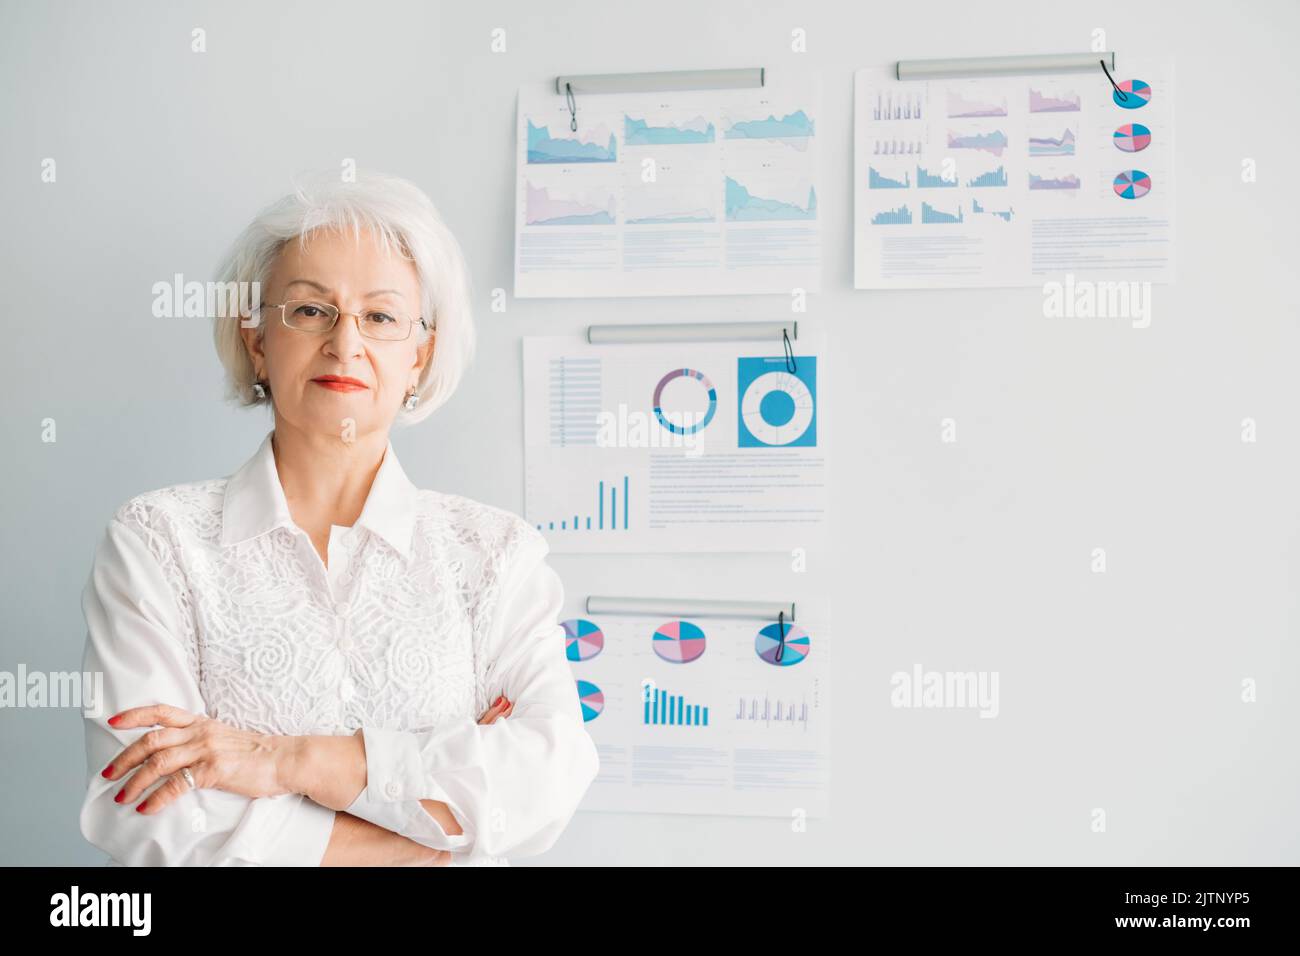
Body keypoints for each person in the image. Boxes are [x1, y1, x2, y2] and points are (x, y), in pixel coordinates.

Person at [78, 171, 600, 866]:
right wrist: (425, 844)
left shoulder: (495, 553)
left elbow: (546, 776)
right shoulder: (156, 541)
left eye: (381, 317)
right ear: (258, 339)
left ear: (420, 355)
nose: (345, 343)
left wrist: (281, 762)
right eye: (309, 310)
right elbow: (150, 820)